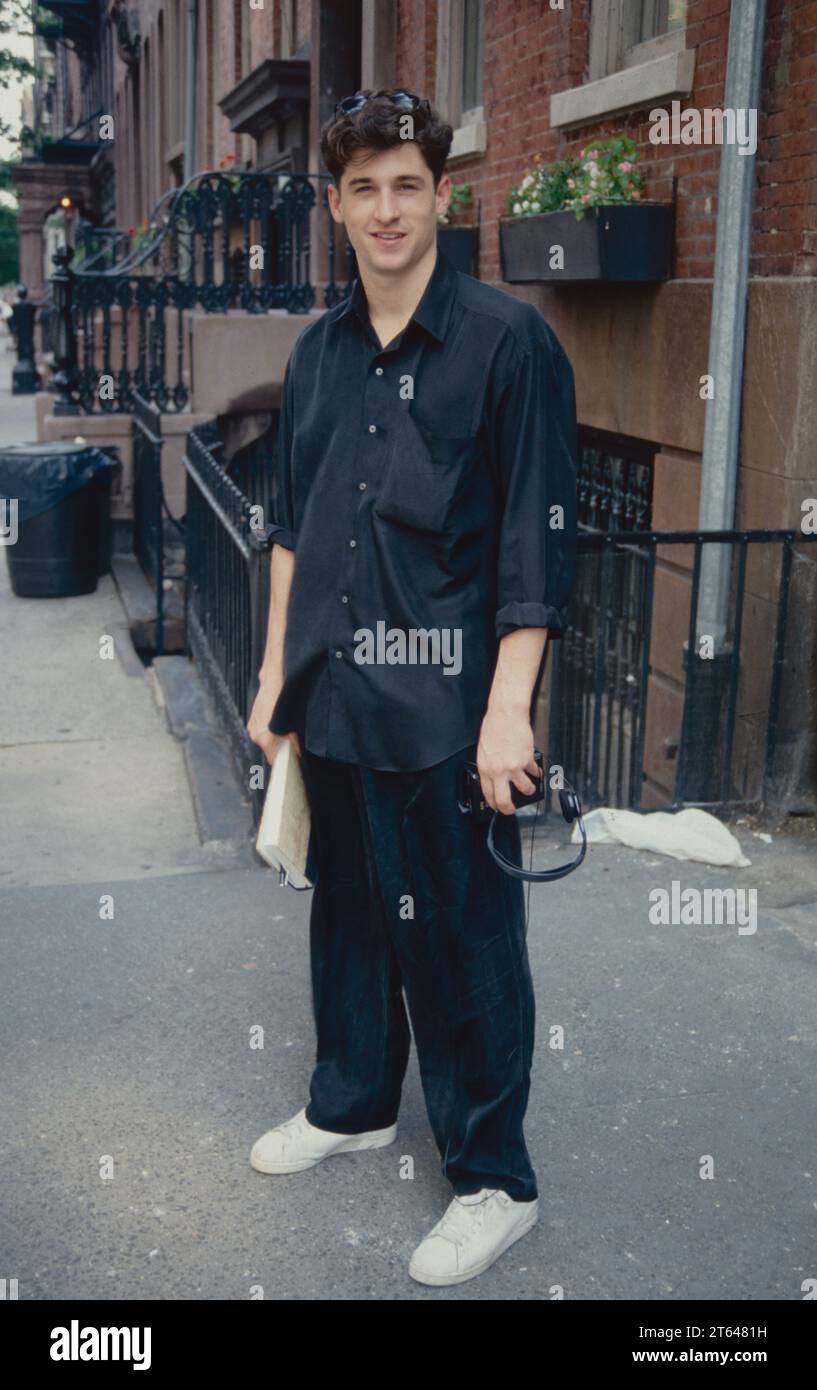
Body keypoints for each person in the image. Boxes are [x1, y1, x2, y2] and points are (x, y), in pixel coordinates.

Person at [247, 88, 577, 1287]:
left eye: (407, 185)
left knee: (462, 946)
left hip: (447, 709)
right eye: (362, 189)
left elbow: (535, 549)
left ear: (443, 194)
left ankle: (495, 1179)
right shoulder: (317, 353)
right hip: (332, 694)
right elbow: (291, 524)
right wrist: (277, 676)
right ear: (334, 205)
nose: (386, 209)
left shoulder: (509, 344)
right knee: (346, 921)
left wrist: (507, 710)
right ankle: (352, 1103)